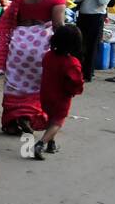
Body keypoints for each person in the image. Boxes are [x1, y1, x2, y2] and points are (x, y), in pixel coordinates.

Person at [0, 0, 66, 134]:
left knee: (14, 83)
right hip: (41, 46)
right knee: (37, 85)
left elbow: (10, 19)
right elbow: (58, 26)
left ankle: (12, 122)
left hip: (18, 44)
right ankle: (27, 116)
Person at [34, 24, 85, 160]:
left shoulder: (48, 56)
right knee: (58, 122)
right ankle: (41, 143)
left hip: (45, 94)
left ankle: (51, 143)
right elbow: (76, 82)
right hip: (61, 97)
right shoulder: (72, 63)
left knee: (52, 118)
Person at [64, 0, 115, 81]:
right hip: (83, 17)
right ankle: (76, 70)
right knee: (79, 44)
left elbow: (102, 1)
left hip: (96, 19)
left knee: (92, 46)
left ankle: (88, 73)